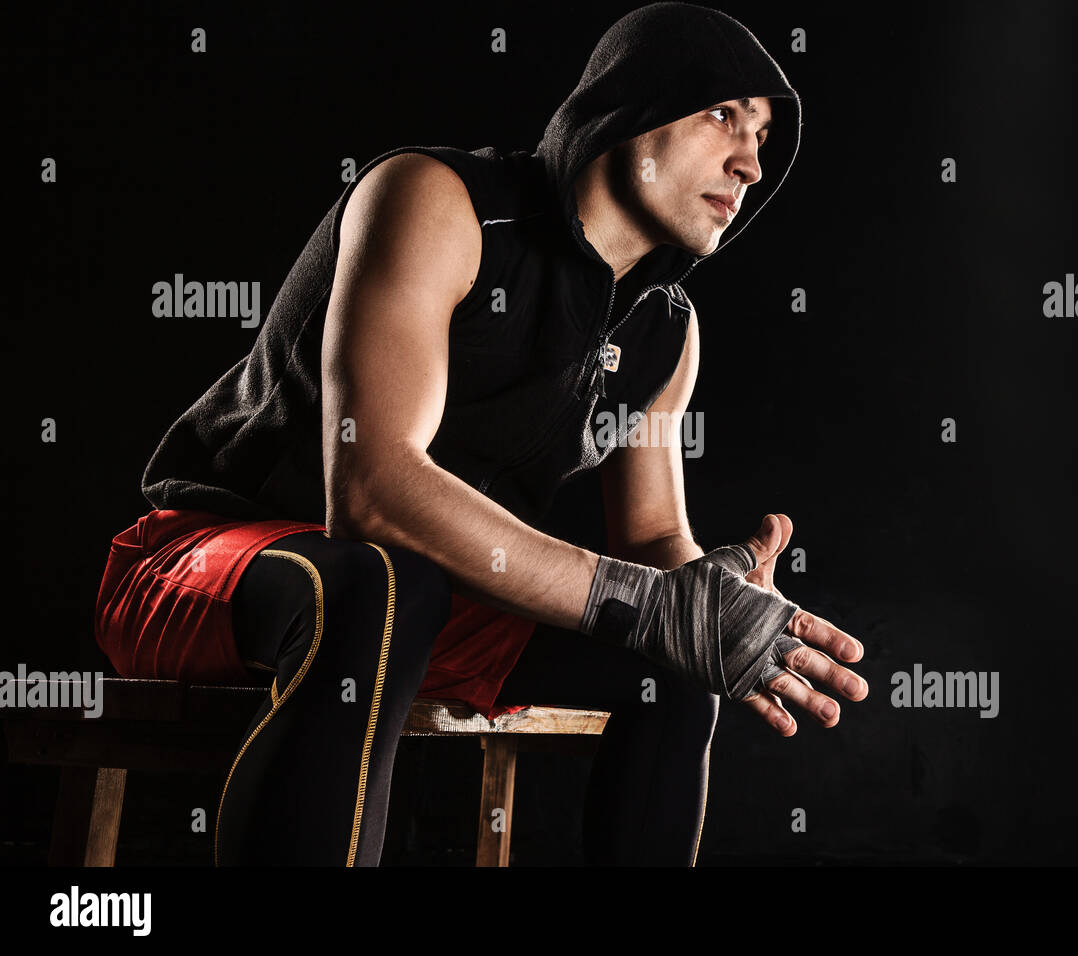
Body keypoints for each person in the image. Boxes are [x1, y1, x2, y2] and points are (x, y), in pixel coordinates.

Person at [93, 1, 867, 867]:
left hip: (425, 610)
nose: (750, 162)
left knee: (676, 669)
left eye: (763, 136)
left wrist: (719, 602)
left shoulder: (664, 331)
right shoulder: (437, 201)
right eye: (725, 114)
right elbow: (375, 494)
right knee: (383, 582)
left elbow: (652, 542)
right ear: (630, 109)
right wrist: (645, 600)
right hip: (202, 564)